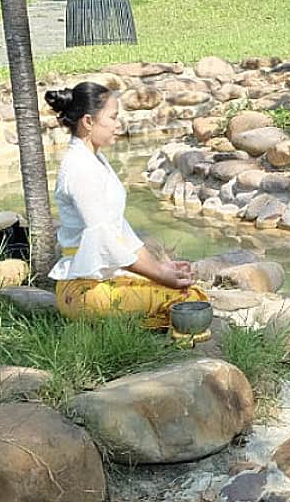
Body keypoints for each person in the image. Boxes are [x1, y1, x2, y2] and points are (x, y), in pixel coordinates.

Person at [45, 82, 207, 329]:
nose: (119, 124)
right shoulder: (79, 168)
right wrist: (160, 274)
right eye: (113, 117)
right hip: (82, 292)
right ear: (88, 122)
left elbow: (120, 232)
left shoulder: (93, 159)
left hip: (97, 283)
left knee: (184, 291)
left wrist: (162, 268)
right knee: (188, 298)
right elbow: (107, 241)